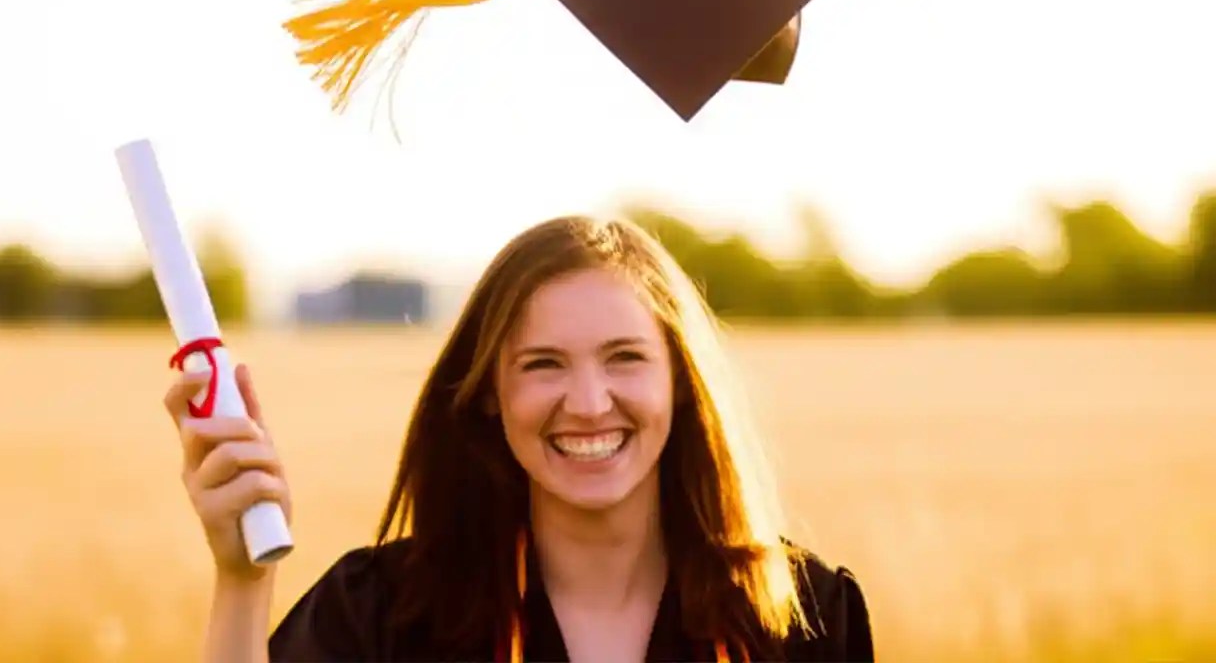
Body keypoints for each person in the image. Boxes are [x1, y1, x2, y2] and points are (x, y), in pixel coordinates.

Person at [162, 215, 875, 662]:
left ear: (681, 382)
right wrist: (243, 584)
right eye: (542, 365)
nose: (590, 404)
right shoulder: (384, 617)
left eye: (625, 357)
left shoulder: (799, 620)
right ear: (488, 398)